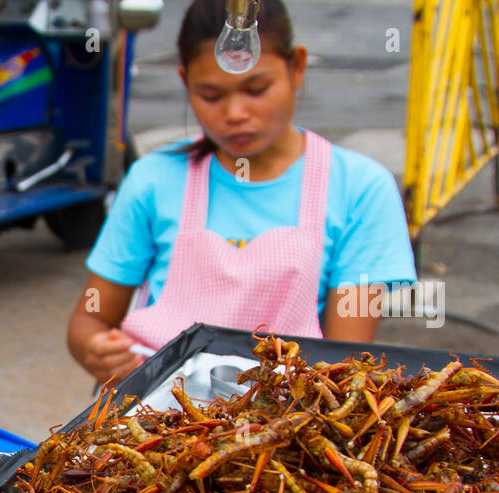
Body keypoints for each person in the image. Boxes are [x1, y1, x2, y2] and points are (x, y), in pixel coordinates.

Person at [67, 0, 417, 385]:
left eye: (256, 88)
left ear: (296, 67)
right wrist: (99, 350)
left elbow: (347, 365)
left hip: (288, 420)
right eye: (211, 96)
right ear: (185, 82)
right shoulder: (153, 178)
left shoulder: (362, 190)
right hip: (156, 416)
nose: (235, 113)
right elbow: (90, 317)